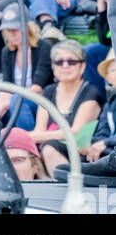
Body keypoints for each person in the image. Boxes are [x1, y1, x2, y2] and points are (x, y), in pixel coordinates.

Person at [29, 38, 102, 177]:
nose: (65, 66)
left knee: (50, 147)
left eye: (72, 62)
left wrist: (38, 136)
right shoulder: (49, 91)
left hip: (82, 153)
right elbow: (39, 130)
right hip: (50, 147)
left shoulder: (91, 92)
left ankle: (66, 190)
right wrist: (36, 136)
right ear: (53, 67)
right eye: (59, 62)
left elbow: (75, 132)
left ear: (82, 66)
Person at [54, 46, 116, 185]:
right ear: (108, 77)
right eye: (113, 70)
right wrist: (91, 144)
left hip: (110, 146)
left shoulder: (91, 94)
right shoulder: (109, 104)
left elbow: (104, 139)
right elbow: (102, 132)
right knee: (82, 153)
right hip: (109, 149)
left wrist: (105, 142)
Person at [0, 5, 52, 132]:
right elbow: (7, 84)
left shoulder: (44, 47)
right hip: (14, 101)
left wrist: (6, 103)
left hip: (39, 103)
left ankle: (29, 144)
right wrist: (1, 104)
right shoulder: (7, 52)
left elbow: (38, 87)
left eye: (16, 28)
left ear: (28, 27)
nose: (12, 33)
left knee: (17, 100)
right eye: (8, 30)